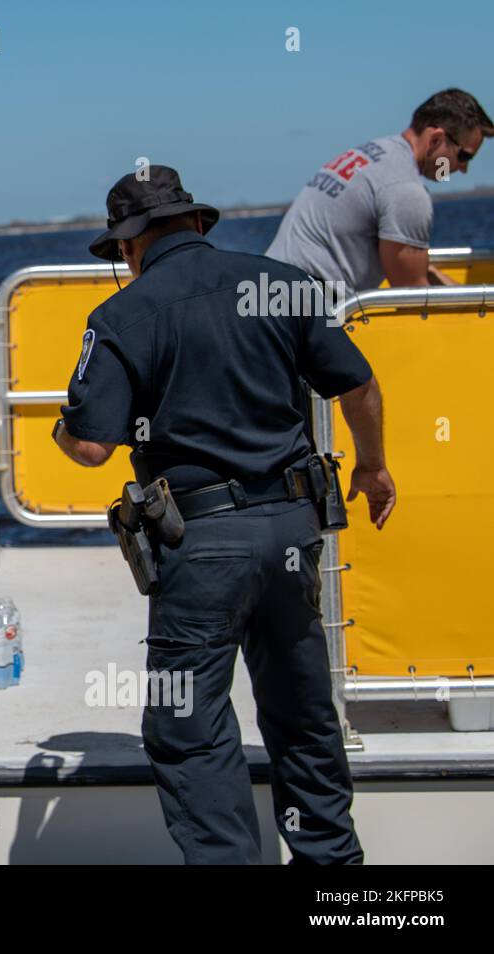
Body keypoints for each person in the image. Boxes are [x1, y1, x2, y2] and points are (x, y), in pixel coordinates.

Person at [52, 165, 396, 864]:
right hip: (293, 529)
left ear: (128, 245)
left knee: (190, 728)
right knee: (302, 712)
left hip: (201, 542)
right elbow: (358, 384)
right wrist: (372, 465)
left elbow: (90, 447)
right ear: (198, 222)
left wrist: (63, 429)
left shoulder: (122, 316)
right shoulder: (283, 284)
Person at [266, 88, 492, 291]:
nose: (463, 169)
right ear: (436, 139)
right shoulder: (406, 190)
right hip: (301, 308)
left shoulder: (377, 154)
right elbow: (413, 293)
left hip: (268, 294)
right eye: (464, 156)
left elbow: (411, 271)